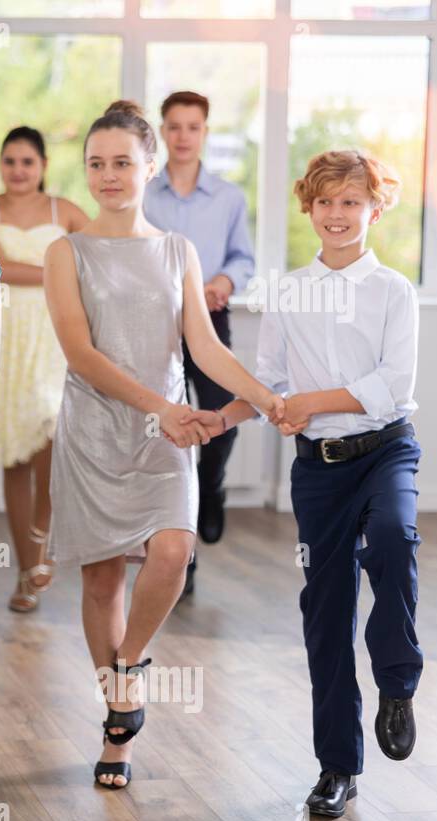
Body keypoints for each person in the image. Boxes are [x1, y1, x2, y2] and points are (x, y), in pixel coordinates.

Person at [42, 100, 282, 790]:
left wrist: (264, 397)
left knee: (174, 549)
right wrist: (163, 408)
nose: (108, 175)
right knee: (102, 576)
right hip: (96, 426)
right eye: (96, 164)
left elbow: (203, 344)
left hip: (166, 428)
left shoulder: (179, 249)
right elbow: (80, 353)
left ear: (150, 166)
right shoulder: (67, 252)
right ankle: (117, 730)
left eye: (122, 162)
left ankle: (130, 668)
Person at [215, 150, 420, 819]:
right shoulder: (287, 291)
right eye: (325, 201)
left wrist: (309, 398)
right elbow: (270, 382)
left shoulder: (394, 291)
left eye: (351, 202)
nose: (337, 215)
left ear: (374, 208)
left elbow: (393, 388)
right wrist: (222, 415)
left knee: (393, 534)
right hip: (319, 469)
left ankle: (397, 681)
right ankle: (338, 764)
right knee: (324, 609)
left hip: (387, 450)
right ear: (309, 207)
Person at [0, 126, 89, 612]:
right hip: (4, 337)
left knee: (50, 439)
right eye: (9, 161)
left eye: (27, 162)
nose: (18, 170)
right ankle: (25, 572)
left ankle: (40, 536)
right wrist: (58, 273)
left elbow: (97, 262)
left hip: (57, 336)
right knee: (16, 454)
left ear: (44, 165)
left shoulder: (67, 211)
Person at [143, 91, 256, 598]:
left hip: (209, 321)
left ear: (204, 132)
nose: (183, 135)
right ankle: (178, 559)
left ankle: (211, 487)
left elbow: (242, 258)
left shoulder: (229, 198)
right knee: (165, 436)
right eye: (174, 126)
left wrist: (225, 282)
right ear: (163, 132)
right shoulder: (144, 193)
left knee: (219, 421)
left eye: (192, 126)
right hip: (153, 327)